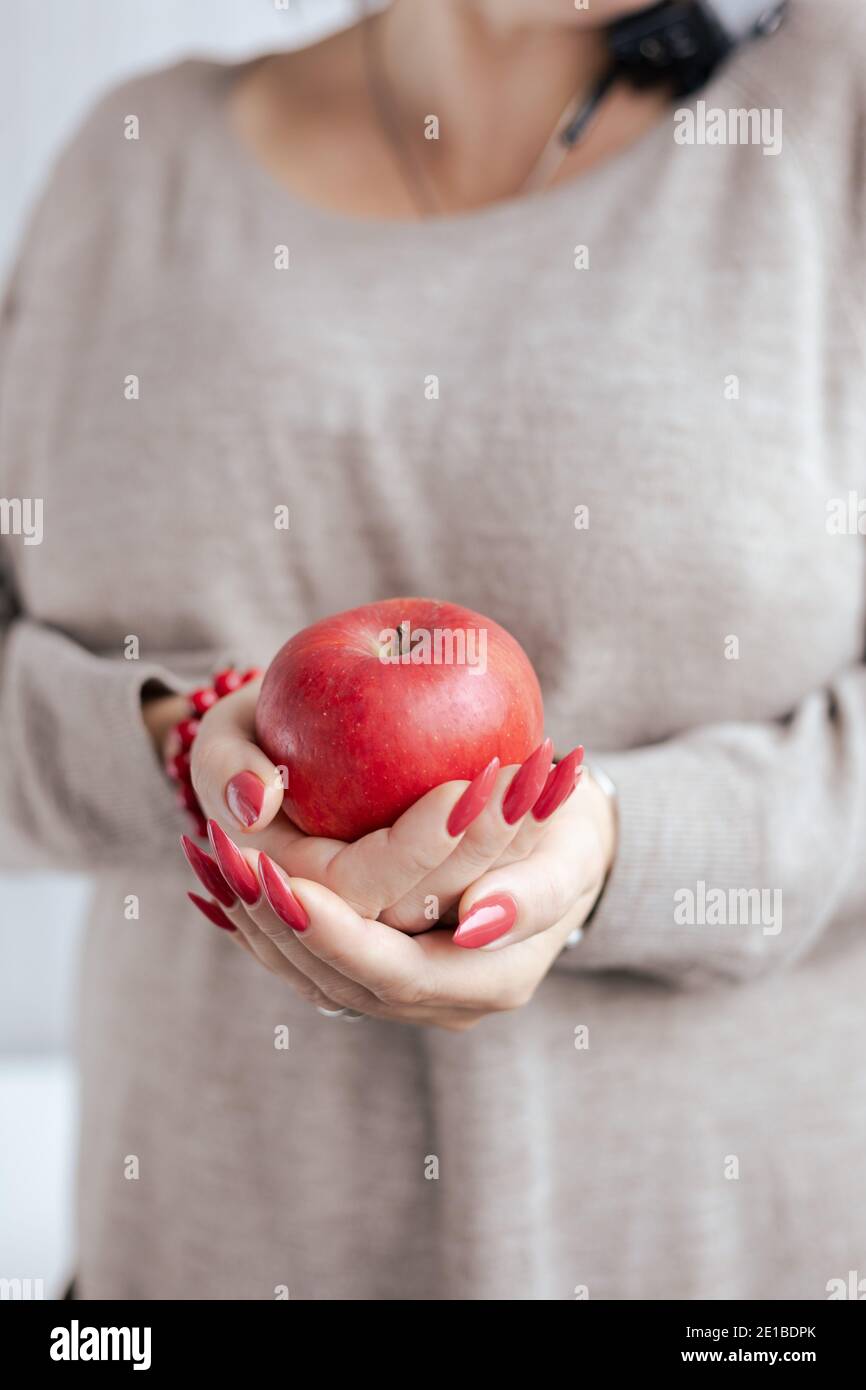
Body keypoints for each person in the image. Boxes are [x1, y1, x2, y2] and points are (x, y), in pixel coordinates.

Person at [1, 0, 864, 1300]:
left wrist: (625, 846)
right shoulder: (132, 163)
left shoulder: (829, 115)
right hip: (184, 1272)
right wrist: (174, 749)